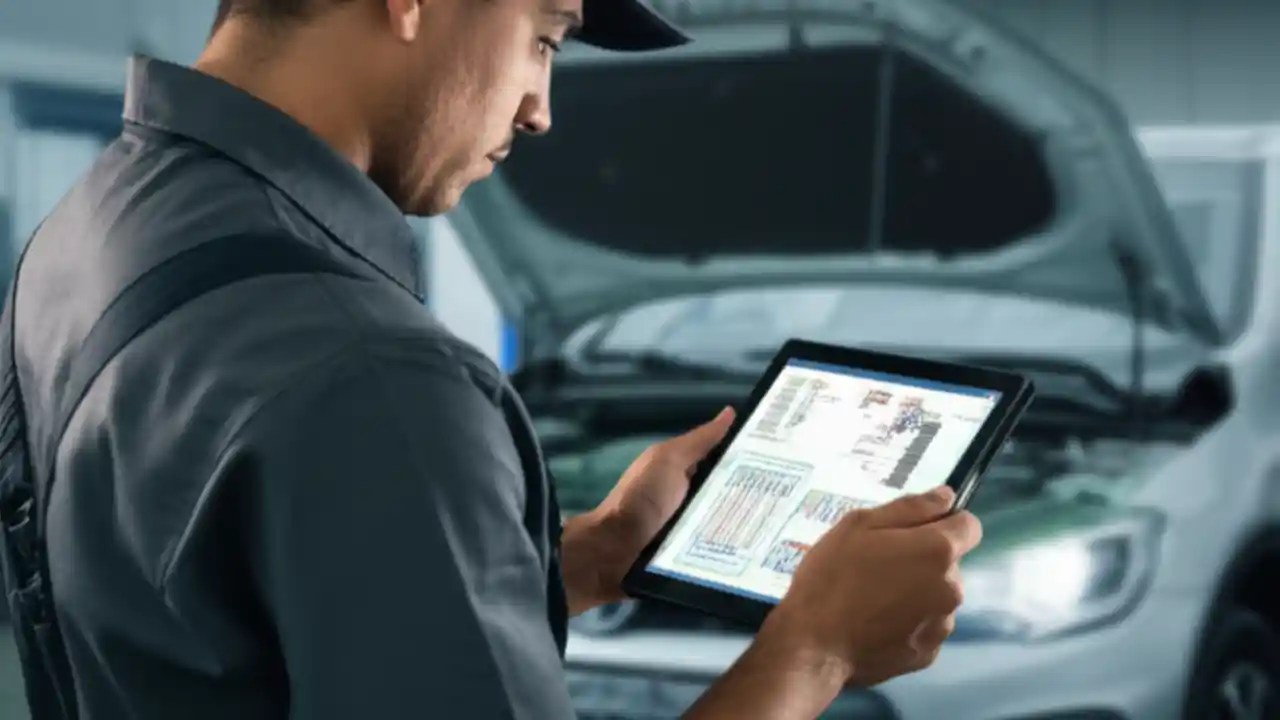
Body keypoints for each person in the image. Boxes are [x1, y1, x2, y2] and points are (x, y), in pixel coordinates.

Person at [8, 0, 983, 717]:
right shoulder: (376, 376)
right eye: (544, 39)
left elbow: (218, 619)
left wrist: (586, 559)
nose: (538, 109)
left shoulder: (89, 236)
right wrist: (813, 652)